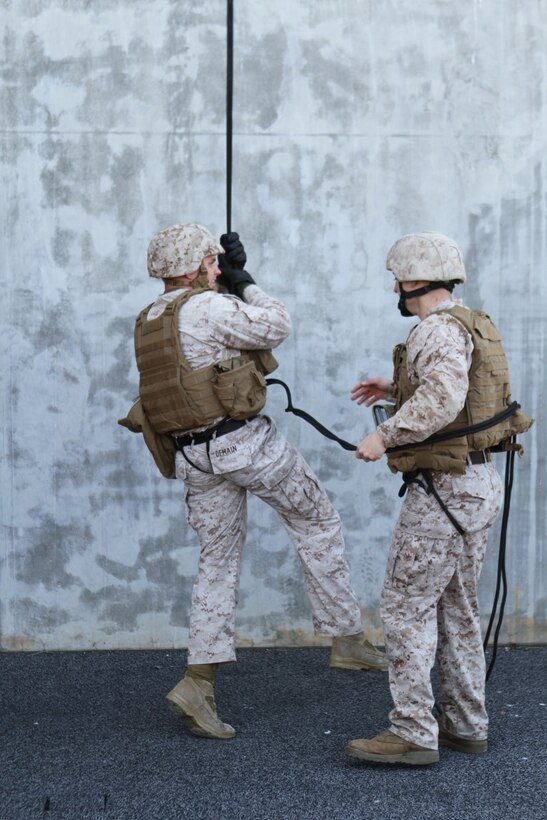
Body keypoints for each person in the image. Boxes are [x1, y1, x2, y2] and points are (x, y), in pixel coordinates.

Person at [122, 222, 387, 740]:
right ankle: (347, 638)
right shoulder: (209, 307)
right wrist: (245, 281)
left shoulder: (150, 318)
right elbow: (275, 324)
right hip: (244, 445)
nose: (215, 266)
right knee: (315, 518)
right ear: (198, 264)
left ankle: (199, 681)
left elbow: (199, 348)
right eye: (210, 261)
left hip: (194, 457)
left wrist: (222, 280)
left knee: (216, 562)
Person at [344, 231, 532, 766]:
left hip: (444, 493)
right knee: (457, 607)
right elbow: (462, 395)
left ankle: (412, 733)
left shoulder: (433, 330)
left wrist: (385, 435)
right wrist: (395, 389)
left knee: (405, 608)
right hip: (476, 485)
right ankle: (467, 724)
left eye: (396, 280)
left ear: (409, 282)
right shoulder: (468, 322)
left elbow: (444, 397)